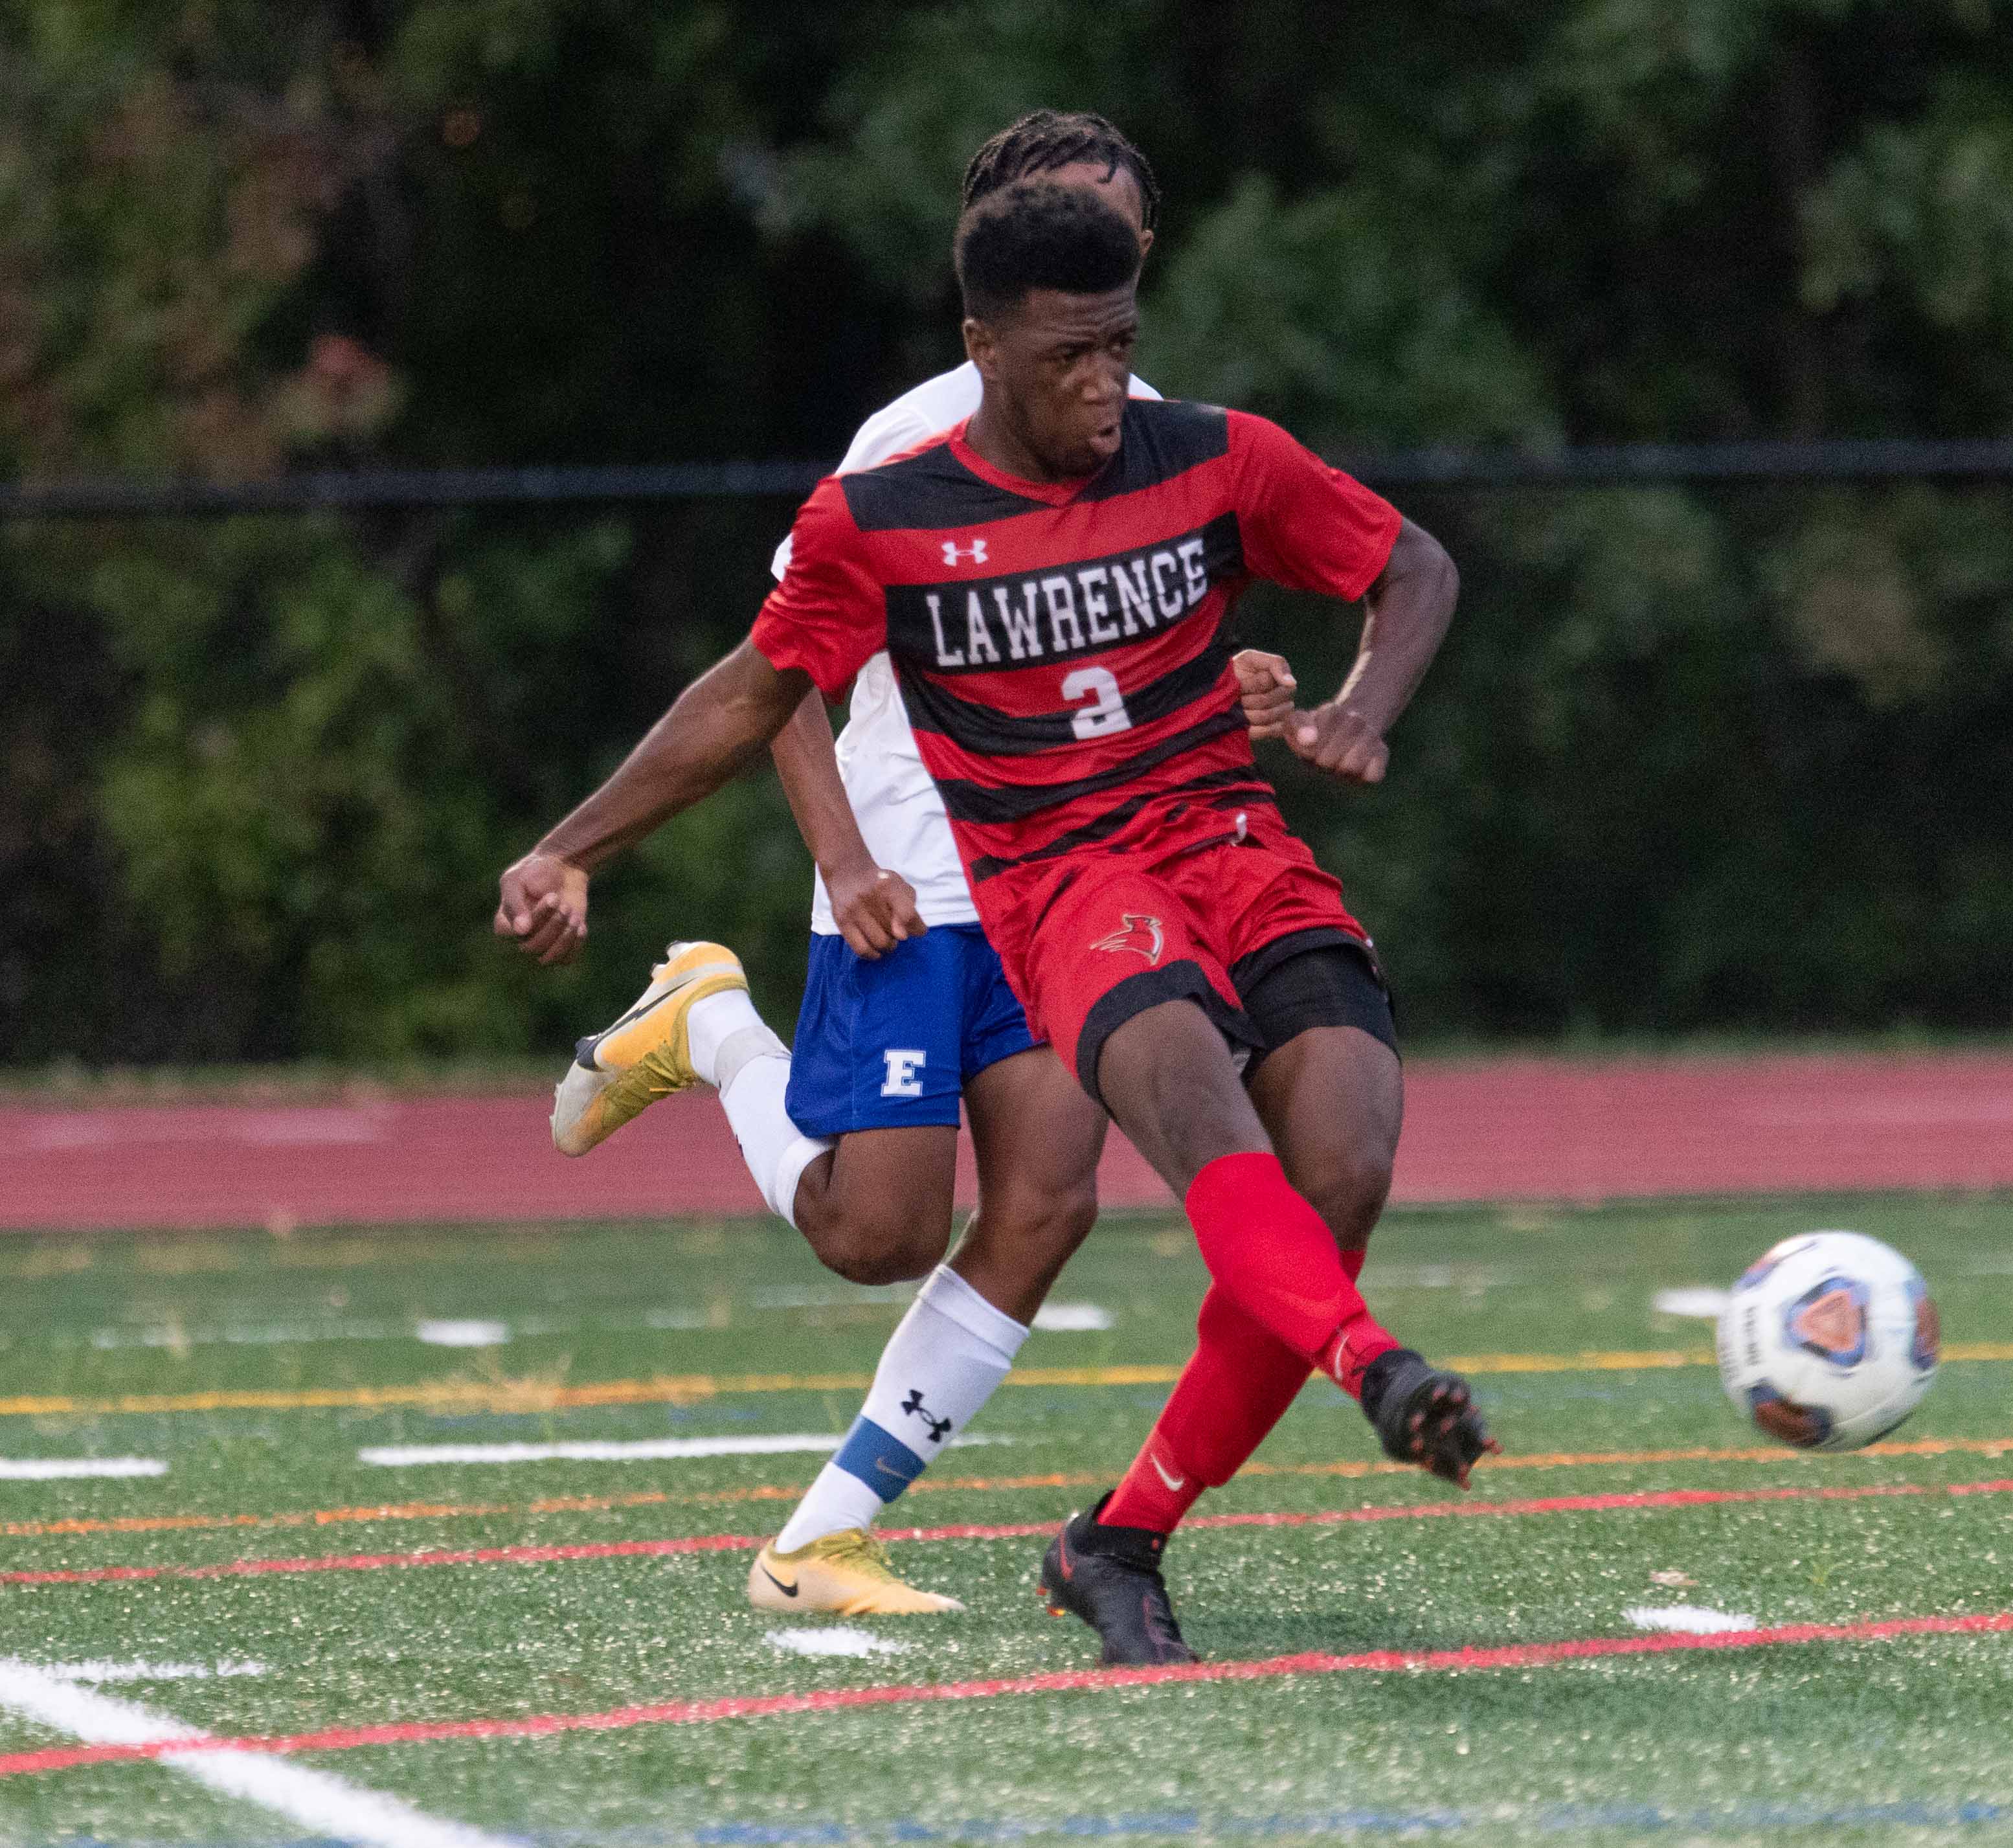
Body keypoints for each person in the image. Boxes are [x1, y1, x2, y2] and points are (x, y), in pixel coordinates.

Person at [498, 176, 1493, 1667]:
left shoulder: (1207, 448)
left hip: (1228, 846)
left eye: (1118, 340)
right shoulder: (889, 497)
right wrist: (580, 843)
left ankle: (1097, 1535)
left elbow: (1406, 565)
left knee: (1314, 1164)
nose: (1101, 381)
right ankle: (1371, 1363)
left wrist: (1350, 704)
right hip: (1036, 882)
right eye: (1066, 356)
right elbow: (757, 695)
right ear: (980, 339)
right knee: (929, 1208)